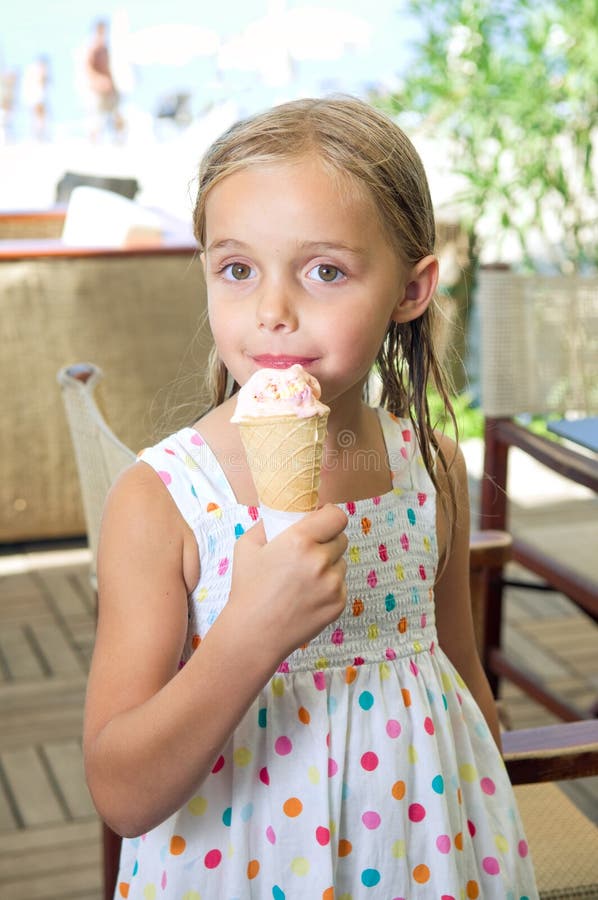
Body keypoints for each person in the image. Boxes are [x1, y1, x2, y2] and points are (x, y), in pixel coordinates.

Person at [84, 96, 538, 898]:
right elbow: (121, 793)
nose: (271, 312)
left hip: (423, 855)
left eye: (325, 270)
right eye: (237, 268)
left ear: (412, 288)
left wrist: (490, 838)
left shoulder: (426, 464)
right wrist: (248, 635)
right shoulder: (163, 502)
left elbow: (461, 674)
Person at [84, 18, 123, 142]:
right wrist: (100, 80)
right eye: (101, 32)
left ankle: (118, 140)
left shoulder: (106, 49)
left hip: (109, 90)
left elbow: (110, 70)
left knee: (116, 115)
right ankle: (94, 145)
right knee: (96, 120)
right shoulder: (92, 49)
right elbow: (88, 70)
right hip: (96, 91)